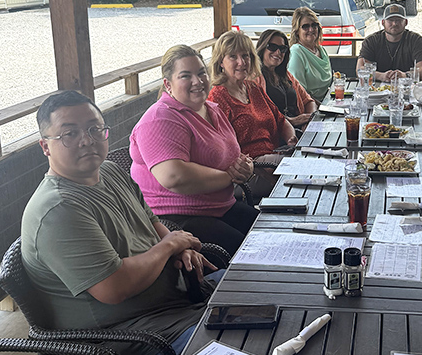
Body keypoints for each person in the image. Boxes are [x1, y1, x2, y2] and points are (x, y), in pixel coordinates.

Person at [21, 91, 219, 355]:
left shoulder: (110, 171)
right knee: (246, 348)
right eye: (69, 134)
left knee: (266, 295)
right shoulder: (59, 209)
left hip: (178, 300)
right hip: (131, 345)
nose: (86, 140)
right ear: (45, 146)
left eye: (93, 128)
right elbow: (114, 288)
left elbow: (151, 221)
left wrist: (180, 248)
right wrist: (169, 246)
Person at [129, 45, 258, 256]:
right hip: (178, 218)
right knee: (252, 255)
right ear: (167, 84)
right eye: (185, 76)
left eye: (201, 73)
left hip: (221, 206)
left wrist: (246, 167)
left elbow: (232, 155)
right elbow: (174, 176)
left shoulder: (212, 109)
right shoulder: (161, 118)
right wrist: (229, 177)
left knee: (273, 234)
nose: (197, 81)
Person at [208, 30, 297, 199]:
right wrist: (260, 168)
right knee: (303, 166)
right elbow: (221, 152)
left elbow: (280, 120)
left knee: (308, 159)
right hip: (249, 172)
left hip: (273, 156)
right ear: (221, 62)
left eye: (246, 56)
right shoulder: (217, 98)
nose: (241, 62)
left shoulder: (253, 88)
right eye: (233, 57)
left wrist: (292, 139)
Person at [255, 29, 317, 130]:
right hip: (277, 132)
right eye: (272, 47)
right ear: (262, 48)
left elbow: (309, 101)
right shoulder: (254, 79)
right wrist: (292, 121)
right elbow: (260, 114)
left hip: (299, 128)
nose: (278, 52)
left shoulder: (286, 75)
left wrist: (309, 119)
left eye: (282, 48)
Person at [356, 3, 422, 82]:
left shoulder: (415, 40)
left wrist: (405, 75)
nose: (394, 24)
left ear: (406, 22)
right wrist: (381, 76)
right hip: (376, 89)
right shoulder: (371, 41)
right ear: (383, 22)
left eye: (398, 20)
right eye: (390, 20)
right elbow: (360, 69)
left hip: (407, 87)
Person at [287, 7, 333, 103]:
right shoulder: (296, 52)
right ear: (297, 31)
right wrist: (322, 107)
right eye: (305, 26)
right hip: (309, 107)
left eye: (314, 25)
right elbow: (300, 92)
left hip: (326, 102)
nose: (311, 29)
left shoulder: (321, 50)